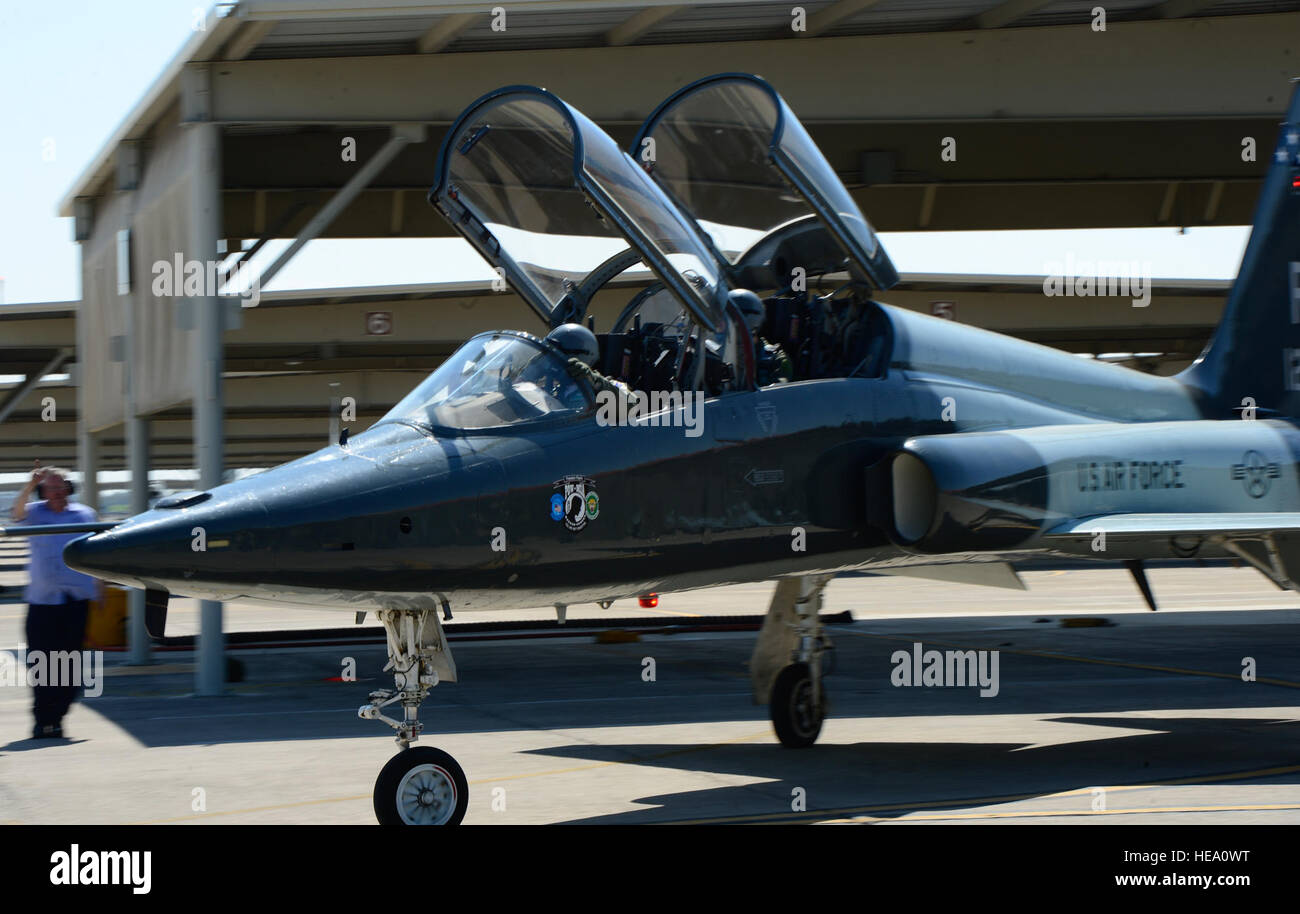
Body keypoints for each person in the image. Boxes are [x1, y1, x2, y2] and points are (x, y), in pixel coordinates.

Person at [9, 464, 100, 739]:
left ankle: (59, 715)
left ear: (70, 488)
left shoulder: (85, 514)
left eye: (62, 486)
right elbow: (16, 514)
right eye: (51, 487)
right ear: (42, 491)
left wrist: (101, 589)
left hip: (75, 600)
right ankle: (43, 720)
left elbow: (95, 552)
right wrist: (28, 486)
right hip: (42, 601)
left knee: (70, 662)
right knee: (42, 664)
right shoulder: (35, 513)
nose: (58, 492)